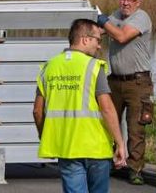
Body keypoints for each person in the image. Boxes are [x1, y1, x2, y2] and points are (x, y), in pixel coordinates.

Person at [34, 19, 128, 193]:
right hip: (97, 148)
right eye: (98, 40)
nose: (99, 46)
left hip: (67, 148)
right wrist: (120, 143)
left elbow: (37, 111)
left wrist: (44, 134)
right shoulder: (93, 66)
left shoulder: (49, 68)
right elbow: (106, 109)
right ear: (85, 39)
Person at [96, 0, 153, 185]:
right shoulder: (115, 16)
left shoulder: (141, 18)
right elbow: (100, 31)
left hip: (137, 81)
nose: (125, 3)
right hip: (115, 79)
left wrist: (104, 22)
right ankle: (111, 162)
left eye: (130, 0)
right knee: (109, 123)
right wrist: (91, 25)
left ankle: (135, 170)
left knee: (136, 127)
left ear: (138, 2)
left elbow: (121, 36)